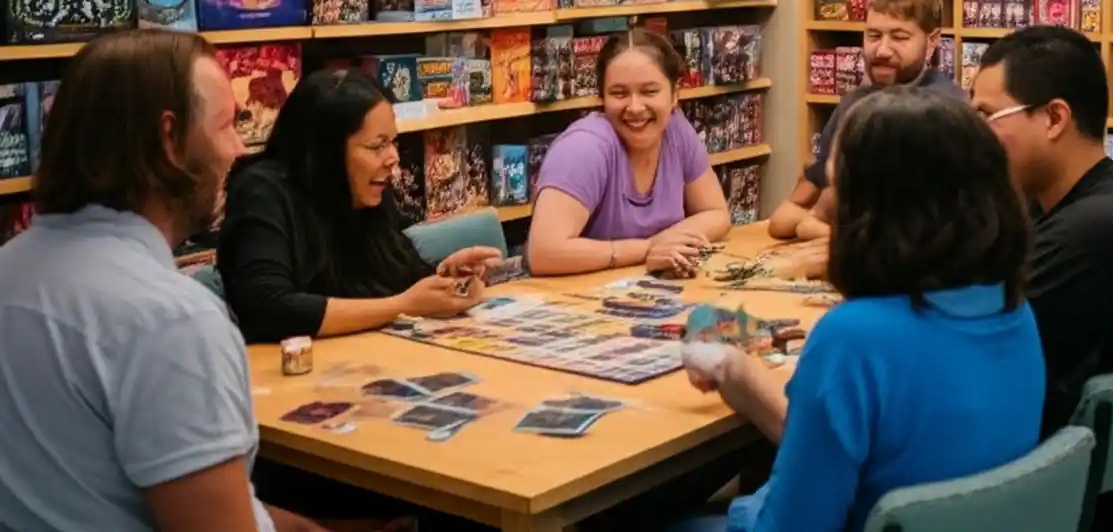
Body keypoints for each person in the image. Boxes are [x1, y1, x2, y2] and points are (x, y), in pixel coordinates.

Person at [674, 87, 1046, 532]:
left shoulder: (854, 337)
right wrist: (735, 369)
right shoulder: (1012, 308)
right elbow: (868, 447)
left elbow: (791, 525)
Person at [0, 30, 324, 531]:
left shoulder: (12, 270)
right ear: (169, 139)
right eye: (226, 125)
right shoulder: (171, 320)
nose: (239, 149)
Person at [969, 25, 1113, 532]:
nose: (972, 137)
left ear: (1054, 118)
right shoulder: (1103, 197)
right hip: (1111, 475)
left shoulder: (1088, 231)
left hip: (1071, 500)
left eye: (986, 117)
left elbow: (973, 362)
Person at [218, 68, 502, 345]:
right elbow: (268, 308)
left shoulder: (364, 193)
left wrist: (443, 279)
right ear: (326, 154)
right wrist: (403, 305)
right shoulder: (263, 191)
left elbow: (390, 275)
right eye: (376, 146)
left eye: (393, 142)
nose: (392, 158)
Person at [767, 0, 966, 241]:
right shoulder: (854, 103)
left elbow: (917, 231)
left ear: (932, 40)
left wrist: (815, 225)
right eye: (873, 36)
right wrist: (811, 221)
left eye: (899, 37)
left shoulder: (945, 110)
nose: (882, 50)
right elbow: (784, 218)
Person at [527, 28, 731, 276]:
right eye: (619, 93)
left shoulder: (676, 128)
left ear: (675, 95)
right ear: (602, 98)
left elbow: (717, 214)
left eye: (649, 91)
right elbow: (544, 254)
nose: (635, 107)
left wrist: (667, 243)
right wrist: (648, 249)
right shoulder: (583, 148)